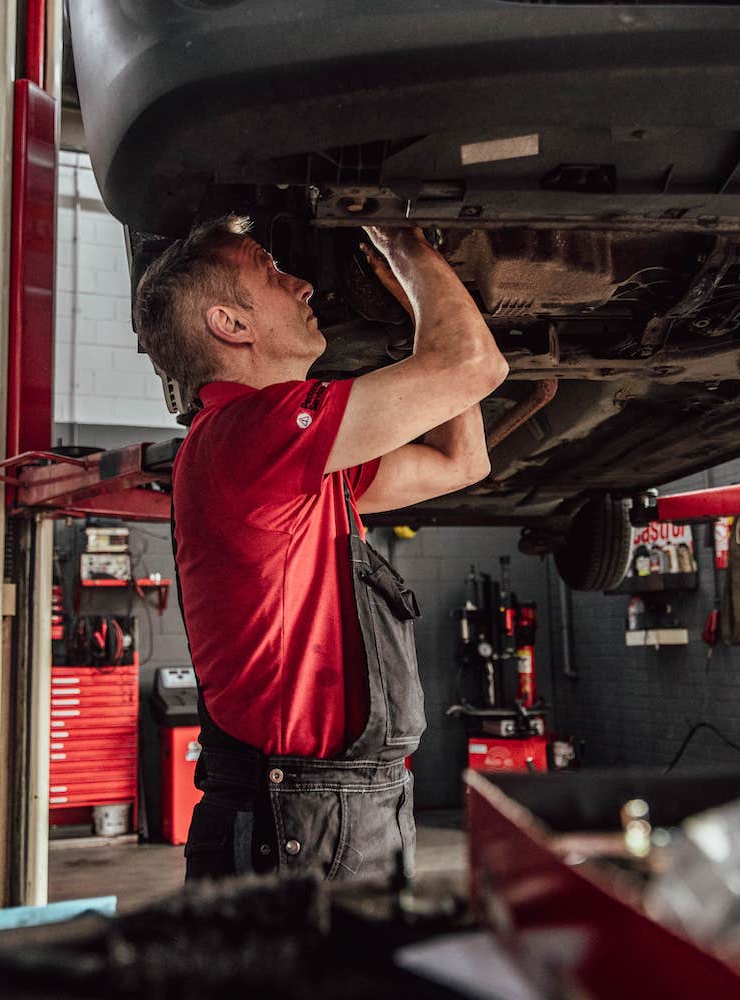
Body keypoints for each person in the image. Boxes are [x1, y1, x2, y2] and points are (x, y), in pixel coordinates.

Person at [133, 217, 508, 881]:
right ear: (230, 323)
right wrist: (407, 247)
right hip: (299, 818)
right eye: (270, 272)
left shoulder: (277, 454)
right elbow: (475, 368)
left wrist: (425, 317)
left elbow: (461, 459)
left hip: (318, 810)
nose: (302, 283)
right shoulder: (249, 434)